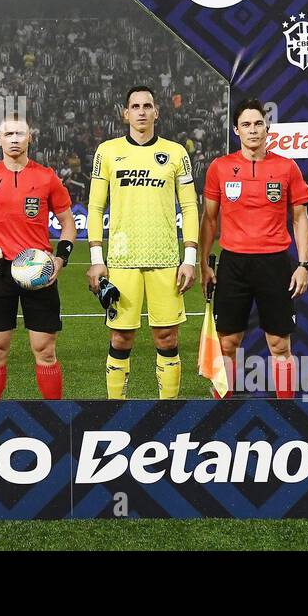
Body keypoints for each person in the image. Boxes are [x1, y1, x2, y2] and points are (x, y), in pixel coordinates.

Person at [87, 86, 198, 400]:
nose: (141, 111)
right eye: (134, 106)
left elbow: (190, 207)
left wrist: (188, 259)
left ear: (156, 112)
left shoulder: (176, 153)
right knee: (121, 338)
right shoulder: (107, 151)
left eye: (147, 106)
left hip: (165, 259)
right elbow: (95, 207)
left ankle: (168, 410)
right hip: (121, 260)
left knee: (166, 337)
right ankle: (116, 409)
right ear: (125, 113)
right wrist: (97, 257)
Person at [199, 99, 308, 399]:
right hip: (233, 264)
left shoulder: (287, 167)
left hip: (274, 264)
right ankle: (225, 412)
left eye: (258, 123)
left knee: (279, 346)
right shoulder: (220, 168)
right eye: (246, 125)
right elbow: (209, 219)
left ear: (267, 127)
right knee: (227, 344)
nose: (253, 130)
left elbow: (300, 217)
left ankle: (287, 412)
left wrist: (304, 265)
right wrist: (204, 264)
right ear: (236, 130)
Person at [0, 114, 75, 400]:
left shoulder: (46, 177)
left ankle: (56, 418)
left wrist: (61, 259)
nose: (15, 139)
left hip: (38, 271)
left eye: (20, 134)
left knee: (45, 350)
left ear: (30, 138)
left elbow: (68, 223)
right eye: (9, 134)